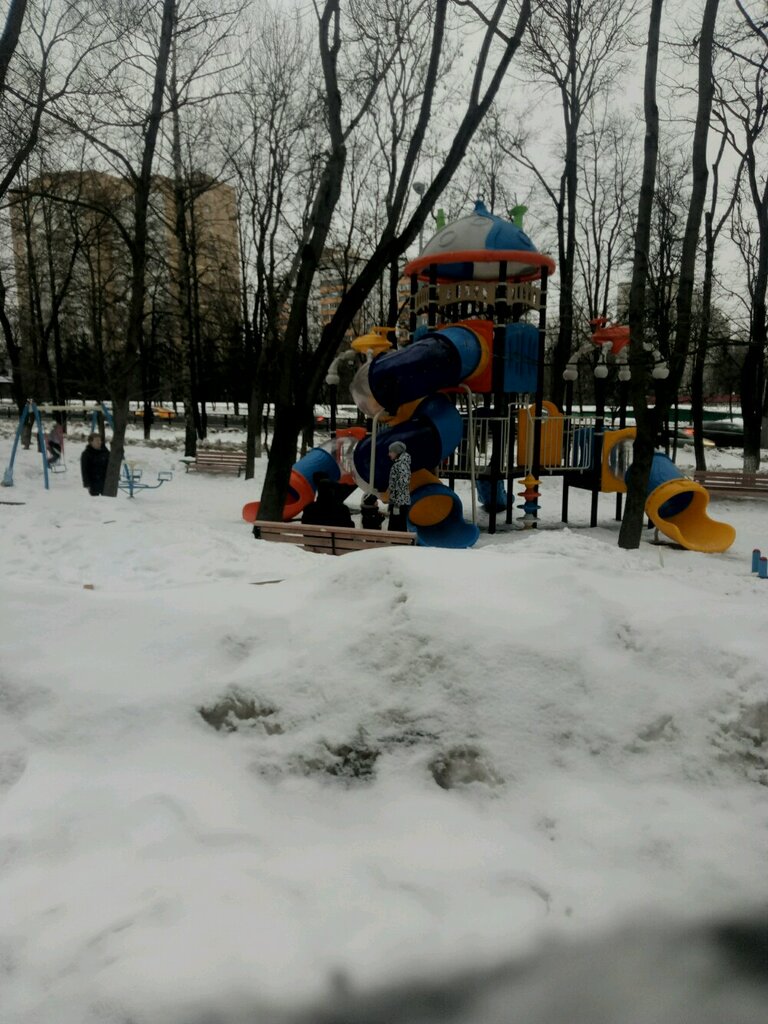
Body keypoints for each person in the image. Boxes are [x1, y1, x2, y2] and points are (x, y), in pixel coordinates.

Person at [386, 440, 412, 532]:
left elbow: (402, 483)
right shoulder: (400, 464)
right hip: (398, 501)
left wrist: (397, 503)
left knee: (397, 527)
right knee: (397, 526)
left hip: (399, 503)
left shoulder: (401, 465)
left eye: (391, 452)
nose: (389, 454)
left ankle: (398, 544)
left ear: (397, 452)